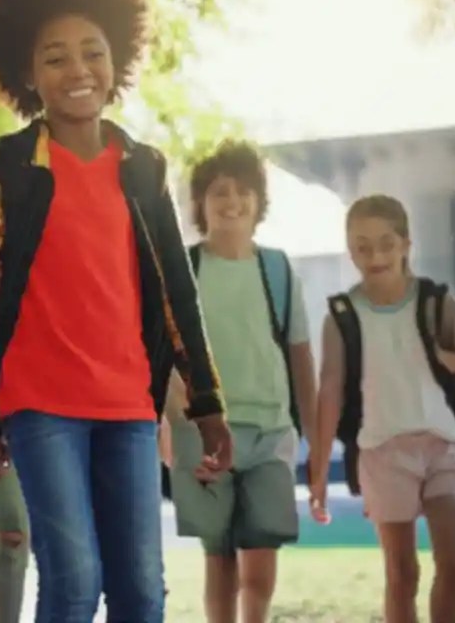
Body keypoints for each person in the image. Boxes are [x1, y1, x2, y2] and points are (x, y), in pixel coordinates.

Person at [0, 0, 232, 622]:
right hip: (39, 401)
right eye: (55, 56)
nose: (77, 70)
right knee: (74, 581)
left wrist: (204, 398)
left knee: (141, 589)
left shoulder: (143, 167)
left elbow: (176, 291)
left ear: (117, 61)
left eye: (92, 52)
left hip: (128, 403)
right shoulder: (6, 165)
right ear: (27, 70)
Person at [164, 141, 317, 623]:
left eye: (242, 192)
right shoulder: (186, 270)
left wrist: (312, 439)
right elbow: (164, 360)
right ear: (201, 205)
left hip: (271, 432)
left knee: (261, 557)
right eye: (219, 192)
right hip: (206, 433)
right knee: (220, 559)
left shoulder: (277, 268)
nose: (231, 202)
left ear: (259, 202)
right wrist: (171, 432)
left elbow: (300, 356)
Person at [310, 195, 455, 623]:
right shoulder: (343, 315)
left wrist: (440, 352)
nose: (375, 255)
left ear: (406, 244)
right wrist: (319, 471)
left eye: (386, 243)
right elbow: (330, 392)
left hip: (442, 445)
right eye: (362, 246)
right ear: (350, 251)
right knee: (402, 574)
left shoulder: (437, 300)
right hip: (382, 452)